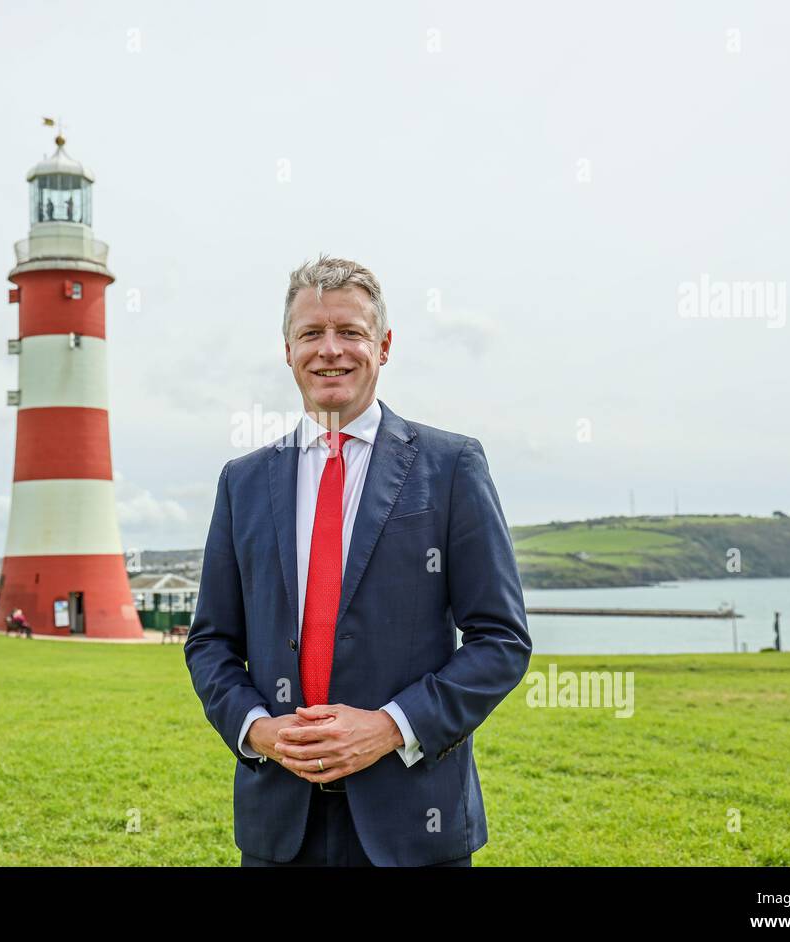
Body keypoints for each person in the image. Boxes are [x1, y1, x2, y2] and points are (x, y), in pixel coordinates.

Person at [184, 255, 532, 867]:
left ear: (385, 344)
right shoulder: (241, 482)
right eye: (311, 333)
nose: (330, 351)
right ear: (287, 349)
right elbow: (211, 641)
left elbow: (500, 640)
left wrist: (392, 726)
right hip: (278, 826)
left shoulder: (450, 466)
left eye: (350, 332)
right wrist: (257, 729)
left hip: (414, 823)